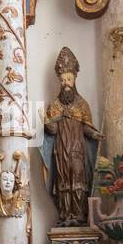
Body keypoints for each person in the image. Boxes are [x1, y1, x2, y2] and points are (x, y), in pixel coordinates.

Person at [42, 48, 101, 226]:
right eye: (62, 80)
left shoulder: (82, 104)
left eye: (69, 79)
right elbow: (51, 131)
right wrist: (46, 121)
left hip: (77, 148)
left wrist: (95, 134)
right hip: (60, 149)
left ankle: (80, 214)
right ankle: (65, 215)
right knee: (63, 179)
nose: (66, 83)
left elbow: (86, 127)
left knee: (78, 177)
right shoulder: (54, 105)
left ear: (75, 78)